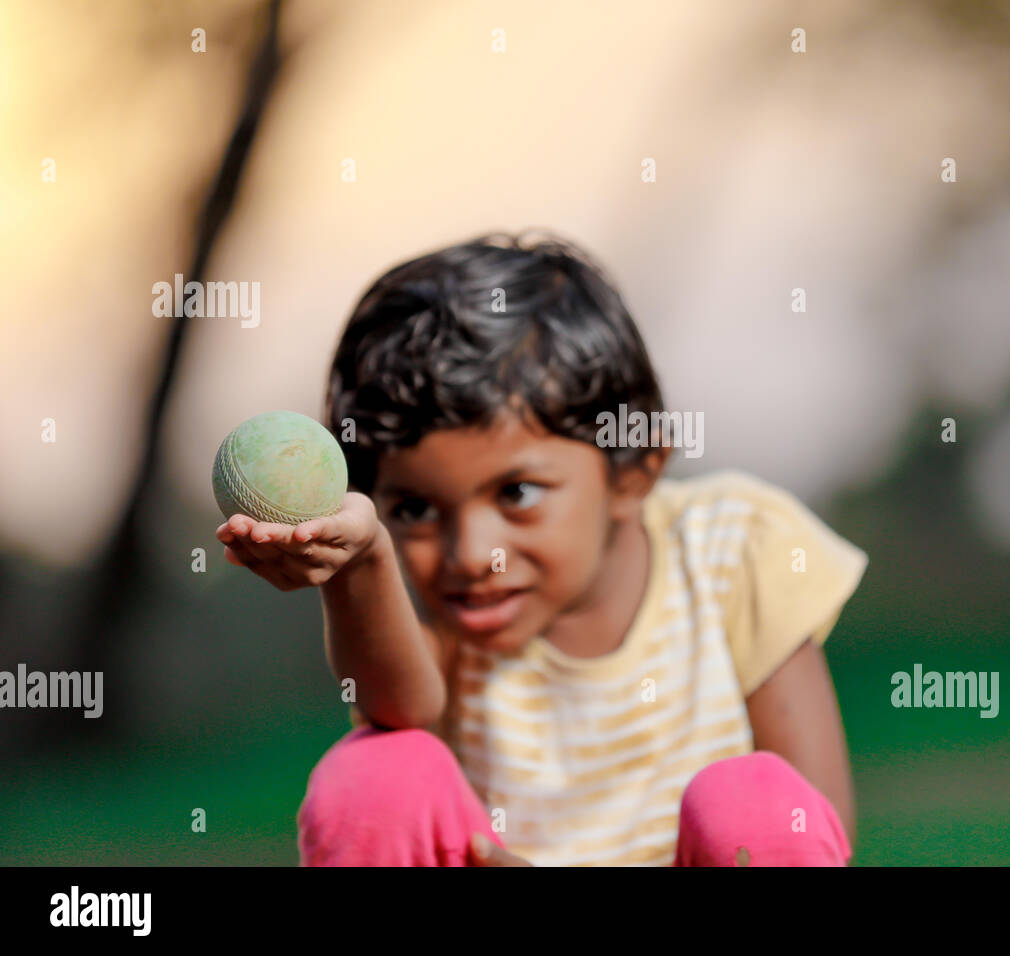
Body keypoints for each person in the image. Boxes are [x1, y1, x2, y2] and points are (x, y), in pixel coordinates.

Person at [215, 231, 868, 866]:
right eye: (414, 509)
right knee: (376, 773)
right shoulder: (448, 633)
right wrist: (361, 564)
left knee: (754, 802)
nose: (470, 554)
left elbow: (813, 826)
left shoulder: (735, 548)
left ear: (634, 469)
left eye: (517, 493)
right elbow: (400, 710)